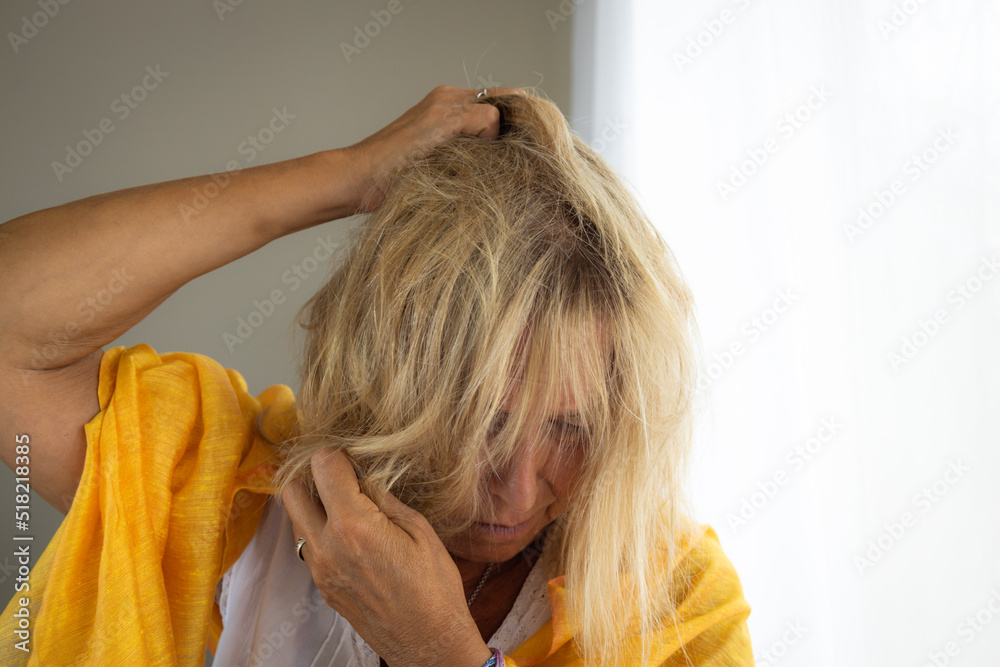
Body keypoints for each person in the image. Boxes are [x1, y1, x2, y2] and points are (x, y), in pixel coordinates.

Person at [0, 86, 753, 666]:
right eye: (484, 419)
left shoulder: (678, 602)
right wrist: (349, 175)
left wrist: (443, 651)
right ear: (393, 375)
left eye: (570, 426)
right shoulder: (220, 483)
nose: (520, 490)